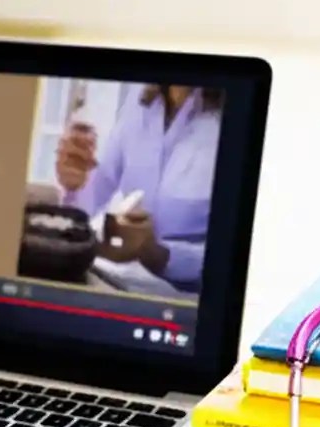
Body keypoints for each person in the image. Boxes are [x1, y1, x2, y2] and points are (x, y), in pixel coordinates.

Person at [56, 84, 222, 294]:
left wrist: (157, 254)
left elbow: (236, 260)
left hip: (190, 301)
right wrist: (75, 185)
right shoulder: (139, 100)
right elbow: (93, 195)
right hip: (122, 281)